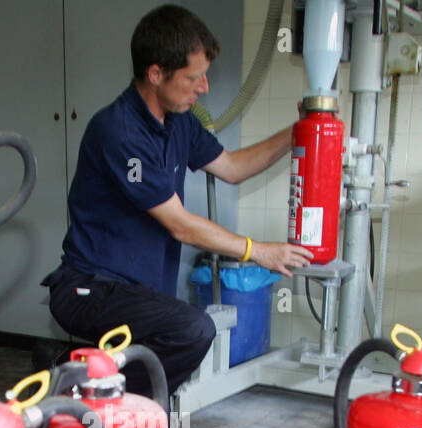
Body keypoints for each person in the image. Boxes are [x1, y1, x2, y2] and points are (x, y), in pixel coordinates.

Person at [41, 4, 313, 395]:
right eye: (194, 78)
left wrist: (298, 131)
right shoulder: (118, 131)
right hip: (90, 289)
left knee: (168, 354)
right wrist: (257, 251)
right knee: (191, 329)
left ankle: (85, 384)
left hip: (138, 293)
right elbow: (179, 224)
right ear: (156, 73)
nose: (204, 88)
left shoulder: (181, 123)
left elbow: (234, 168)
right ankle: (84, 392)